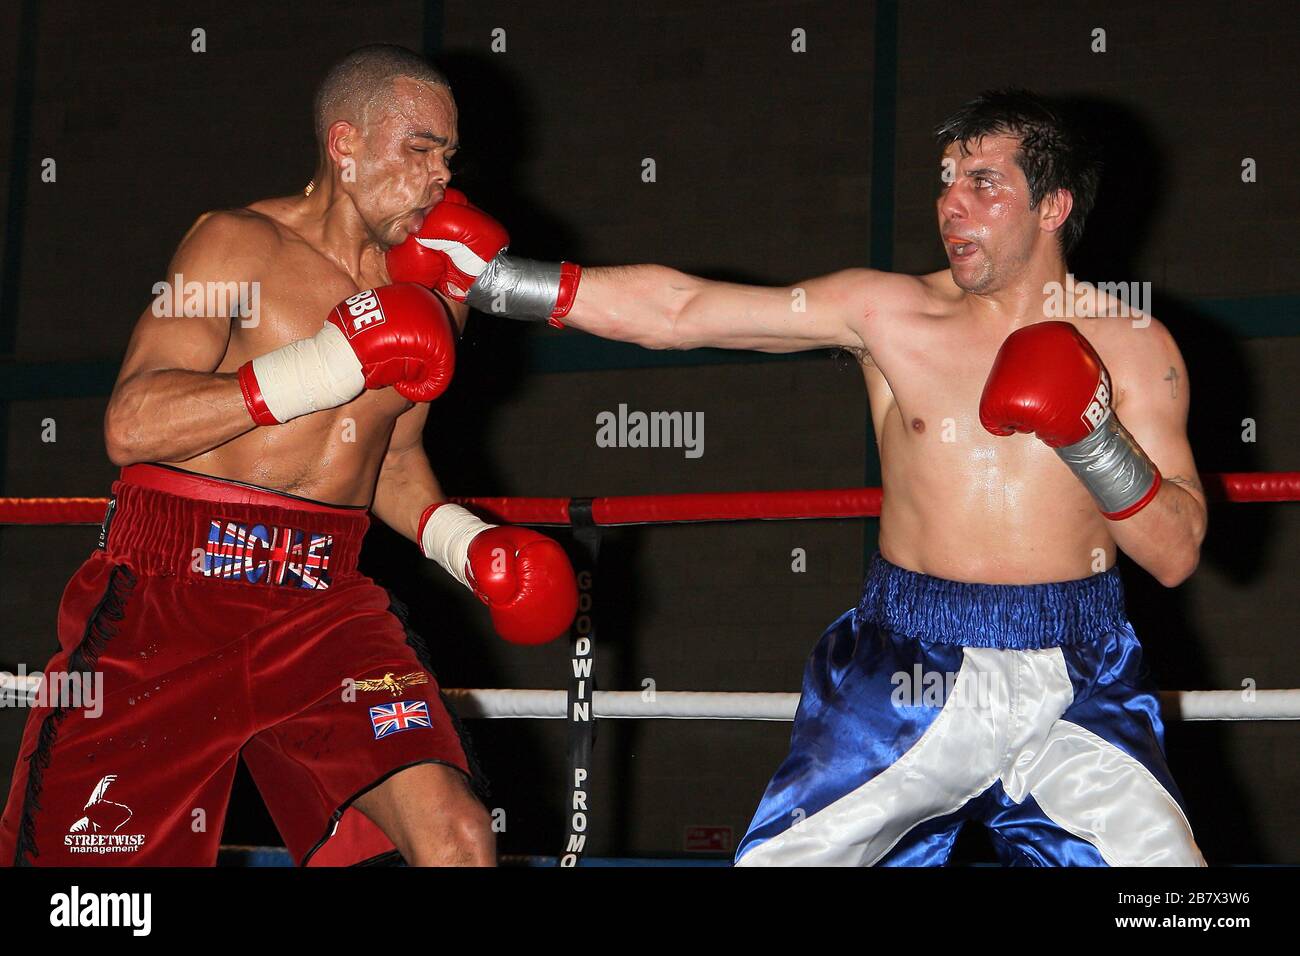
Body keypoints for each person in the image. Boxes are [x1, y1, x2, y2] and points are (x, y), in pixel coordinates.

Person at [394, 89, 1207, 866]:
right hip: (906, 665)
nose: (950, 204)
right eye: (946, 181)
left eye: (983, 182)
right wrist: (503, 282)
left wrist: (1093, 437)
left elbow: (1174, 554)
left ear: (1054, 205)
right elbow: (683, 311)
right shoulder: (886, 313)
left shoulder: (1137, 346)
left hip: (1078, 674)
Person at [0, 44, 577, 868]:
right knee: (88, 886)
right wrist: (323, 367)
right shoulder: (233, 245)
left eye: (448, 157)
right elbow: (130, 423)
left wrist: (468, 544)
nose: (439, 178)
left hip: (322, 603)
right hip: (175, 592)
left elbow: (395, 461)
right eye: (418, 151)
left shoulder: (435, 297)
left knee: (456, 835)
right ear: (344, 146)